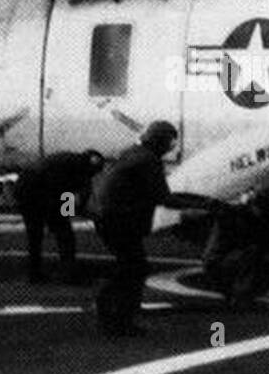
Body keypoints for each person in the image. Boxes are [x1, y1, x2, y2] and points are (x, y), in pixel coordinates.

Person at [89, 121, 180, 337]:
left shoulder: (134, 153)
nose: (170, 147)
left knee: (131, 265)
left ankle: (118, 308)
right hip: (118, 220)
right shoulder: (148, 160)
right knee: (135, 268)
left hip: (107, 217)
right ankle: (117, 316)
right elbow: (165, 198)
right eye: (169, 142)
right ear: (160, 141)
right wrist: (203, 204)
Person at [14, 149, 105, 285]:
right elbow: (63, 200)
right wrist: (88, 215)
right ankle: (68, 273)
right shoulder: (75, 171)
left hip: (26, 189)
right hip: (37, 192)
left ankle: (35, 273)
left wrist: (78, 211)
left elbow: (66, 201)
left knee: (35, 235)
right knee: (64, 235)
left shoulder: (70, 163)